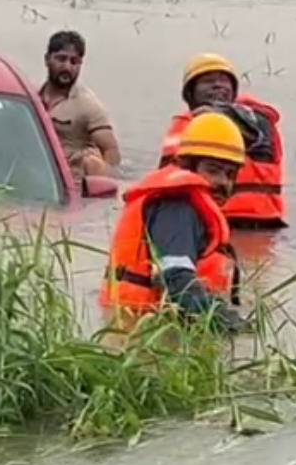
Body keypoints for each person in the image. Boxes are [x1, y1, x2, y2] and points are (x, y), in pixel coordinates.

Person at [101, 112, 250, 334]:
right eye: (213, 170)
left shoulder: (185, 206)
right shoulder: (176, 208)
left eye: (230, 174)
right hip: (145, 332)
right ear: (188, 166)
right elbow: (180, 285)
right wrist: (239, 328)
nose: (223, 182)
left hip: (137, 325)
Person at [158, 53, 286, 230]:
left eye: (224, 80)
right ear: (191, 91)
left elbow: (167, 179)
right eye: (208, 81)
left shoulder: (188, 123)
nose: (217, 84)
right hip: (268, 224)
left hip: (219, 221)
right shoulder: (263, 122)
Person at [39, 30, 121, 182]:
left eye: (74, 62)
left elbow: (111, 152)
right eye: (61, 59)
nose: (67, 67)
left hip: (70, 187)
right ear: (47, 59)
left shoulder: (88, 106)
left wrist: (100, 183)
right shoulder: (33, 98)